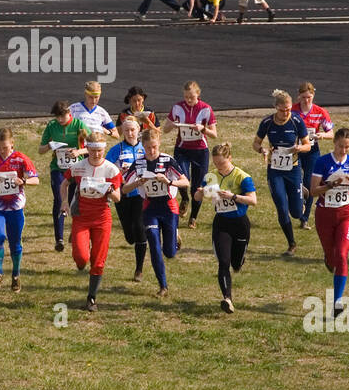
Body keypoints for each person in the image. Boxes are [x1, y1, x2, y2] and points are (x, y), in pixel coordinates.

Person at [310, 127, 349, 316]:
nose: (343, 151)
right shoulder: (322, 162)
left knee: (342, 254)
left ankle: (337, 302)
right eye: (340, 147)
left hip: (346, 214)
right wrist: (329, 185)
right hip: (324, 215)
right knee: (332, 256)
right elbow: (313, 191)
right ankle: (328, 259)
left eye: (347, 147)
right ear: (334, 143)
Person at [121, 126, 188, 297]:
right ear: (143, 146)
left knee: (170, 253)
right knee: (154, 244)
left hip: (168, 207)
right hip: (150, 207)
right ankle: (163, 286)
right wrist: (138, 182)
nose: (152, 151)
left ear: (159, 145)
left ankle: (174, 235)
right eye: (148, 147)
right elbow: (124, 189)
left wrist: (169, 182)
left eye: (155, 147)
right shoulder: (139, 163)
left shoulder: (167, 161)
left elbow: (186, 182)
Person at [196, 142, 257, 314]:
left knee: (235, 263)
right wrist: (200, 192)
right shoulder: (211, 176)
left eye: (221, 163)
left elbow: (253, 201)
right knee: (223, 262)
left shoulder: (242, 176)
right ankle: (227, 298)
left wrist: (234, 196)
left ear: (230, 158)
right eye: (215, 163)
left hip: (240, 224)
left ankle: (239, 261)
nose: (219, 167)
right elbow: (197, 196)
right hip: (221, 223)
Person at [0, 127, 39, 290]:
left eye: (5, 147)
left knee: (15, 243)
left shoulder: (21, 159)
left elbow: (35, 179)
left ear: (12, 143)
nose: (2, 151)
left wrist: (23, 182)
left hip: (16, 207)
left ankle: (16, 275)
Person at [67, 139, 123, 311]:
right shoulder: (78, 167)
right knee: (82, 258)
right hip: (82, 217)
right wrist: (63, 202)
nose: (96, 154)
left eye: (100, 150)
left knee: (98, 261)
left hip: (102, 218)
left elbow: (118, 198)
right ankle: (80, 257)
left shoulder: (111, 169)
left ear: (104, 149)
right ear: (87, 149)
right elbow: (64, 183)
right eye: (93, 150)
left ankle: (91, 297)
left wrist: (110, 190)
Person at [254, 89, 311, 255]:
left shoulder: (296, 121)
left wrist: (300, 147)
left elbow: (307, 144)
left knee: (295, 212)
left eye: (288, 109)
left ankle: (302, 194)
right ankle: (291, 243)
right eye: (282, 109)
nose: (285, 113)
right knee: (281, 205)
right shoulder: (267, 123)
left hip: (292, 169)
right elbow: (256, 143)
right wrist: (262, 150)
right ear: (275, 107)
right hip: (275, 170)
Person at [169, 80, 218, 229]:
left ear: (198, 95)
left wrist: (203, 129)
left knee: (197, 186)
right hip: (182, 149)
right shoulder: (178, 107)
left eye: (192, 97)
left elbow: (214, 134)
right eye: (186, 97)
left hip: (200, 151)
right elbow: (165, 129)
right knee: (183, 178)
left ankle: (193, 218)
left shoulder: (206, 109)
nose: (189, 100)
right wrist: (172, 123)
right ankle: (184, 198)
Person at [38, 99, 84, 252]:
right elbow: (40, 150)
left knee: (73, 201)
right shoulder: (52, 126)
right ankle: (59, 238)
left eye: (62, 117)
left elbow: (92, 145)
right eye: (57, 117)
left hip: (76, 168)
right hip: (58, 168)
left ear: (69, 113)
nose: (59, 120)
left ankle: (75, 231)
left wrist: (78, 152)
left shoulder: (78, 125)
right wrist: (50, 145)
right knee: (59, 199)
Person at [108, 118, 148, 281]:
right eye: (127, 130)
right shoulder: (116, 149)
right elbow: (106, 168)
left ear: (138, 129)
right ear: (122, 132)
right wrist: (118, 173)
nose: (130, 133)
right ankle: (132, 236)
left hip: (140, 194)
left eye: (133, 130)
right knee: (129, 236)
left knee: (139, 228)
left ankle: (139, 269)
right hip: (123, 194)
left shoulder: (144, 148)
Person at [295, 82, 335, 229]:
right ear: (299, 96)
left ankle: (304, 218)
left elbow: (331, 133)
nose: (306, 100)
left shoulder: (320, 111)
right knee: (295, 180)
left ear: (313, 95)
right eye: (304, 97)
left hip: (312, 150)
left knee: (311, 183)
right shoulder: (293, 110)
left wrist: (322, 135)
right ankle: (298, 205)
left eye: (309, 97)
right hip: (297, 149)